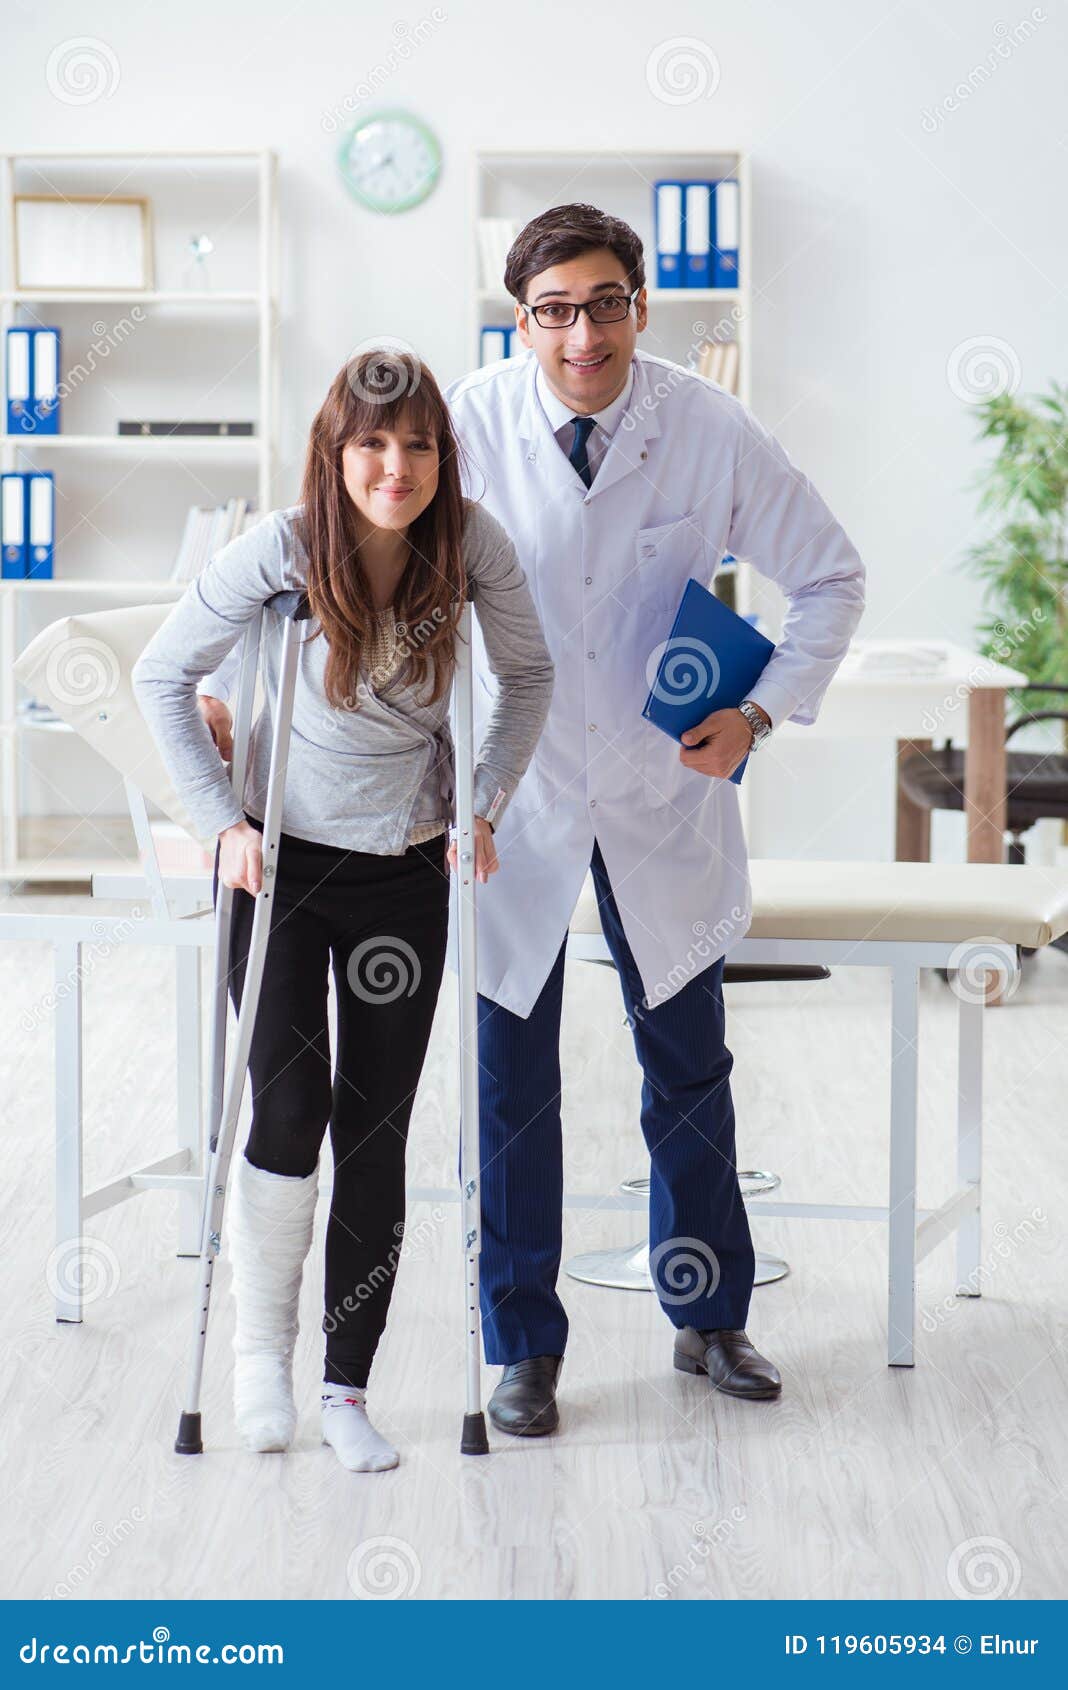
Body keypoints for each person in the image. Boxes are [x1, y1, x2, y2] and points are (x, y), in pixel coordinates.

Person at [437, 203, 867, 1435]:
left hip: (659, 784)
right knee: (510, 1078)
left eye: (607, 302)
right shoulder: (467, 424)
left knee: (687, 1064)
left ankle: (710, 1316)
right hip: (512, 790)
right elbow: (378, 564)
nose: (584, 334)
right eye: (555, 310)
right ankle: (522, 1345)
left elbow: (832, 574)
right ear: (520, 318)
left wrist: (762, 714)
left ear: (641, 303)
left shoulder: (707, 425)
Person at [132, 349, 554, 1471]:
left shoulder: (471, 547)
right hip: (281, 871)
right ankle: (258, 1363)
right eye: (372, 443)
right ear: (336, 452)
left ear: (441, 455)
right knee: (286, 1109)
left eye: (418, 443)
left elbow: (530, 675)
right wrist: (221, 818)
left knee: (375, 1129)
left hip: (405, 868)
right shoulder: (280, 543)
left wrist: (487, 798)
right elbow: (160, 674)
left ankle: (343, 1386)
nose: (396, 465)